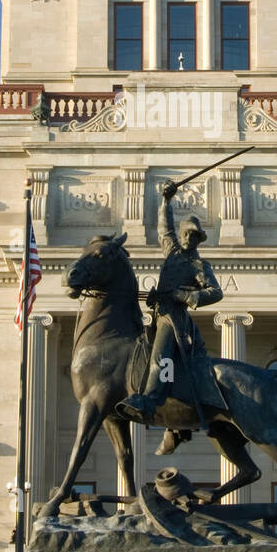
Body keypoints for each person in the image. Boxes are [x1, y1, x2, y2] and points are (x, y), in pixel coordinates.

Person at [117, 180, 222, 425]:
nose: (188, 238)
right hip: (157, 311)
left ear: (199, 240)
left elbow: (216, 293)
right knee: (138, 353)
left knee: (161, 356)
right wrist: (166, 200)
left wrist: (186, 296)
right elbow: (165, 227)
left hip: (174, 318)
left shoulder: (199, 266)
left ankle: (150, 400)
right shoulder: (172, 251)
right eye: (186, 233)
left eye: (194, 236)